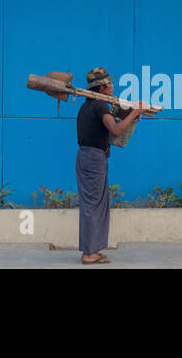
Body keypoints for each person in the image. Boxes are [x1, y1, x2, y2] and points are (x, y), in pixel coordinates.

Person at [75, 67, 146, 265]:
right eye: (110, 83)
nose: (113, 86)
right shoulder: (99, 107)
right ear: (103, 86)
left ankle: (93, 250)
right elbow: (116, 130)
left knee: (97, 204)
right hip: (93, 159)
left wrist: (130, 114)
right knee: (92, 205)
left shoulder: (87, 106)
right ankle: (89, 253)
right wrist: (136, 113)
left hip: (89, 157)